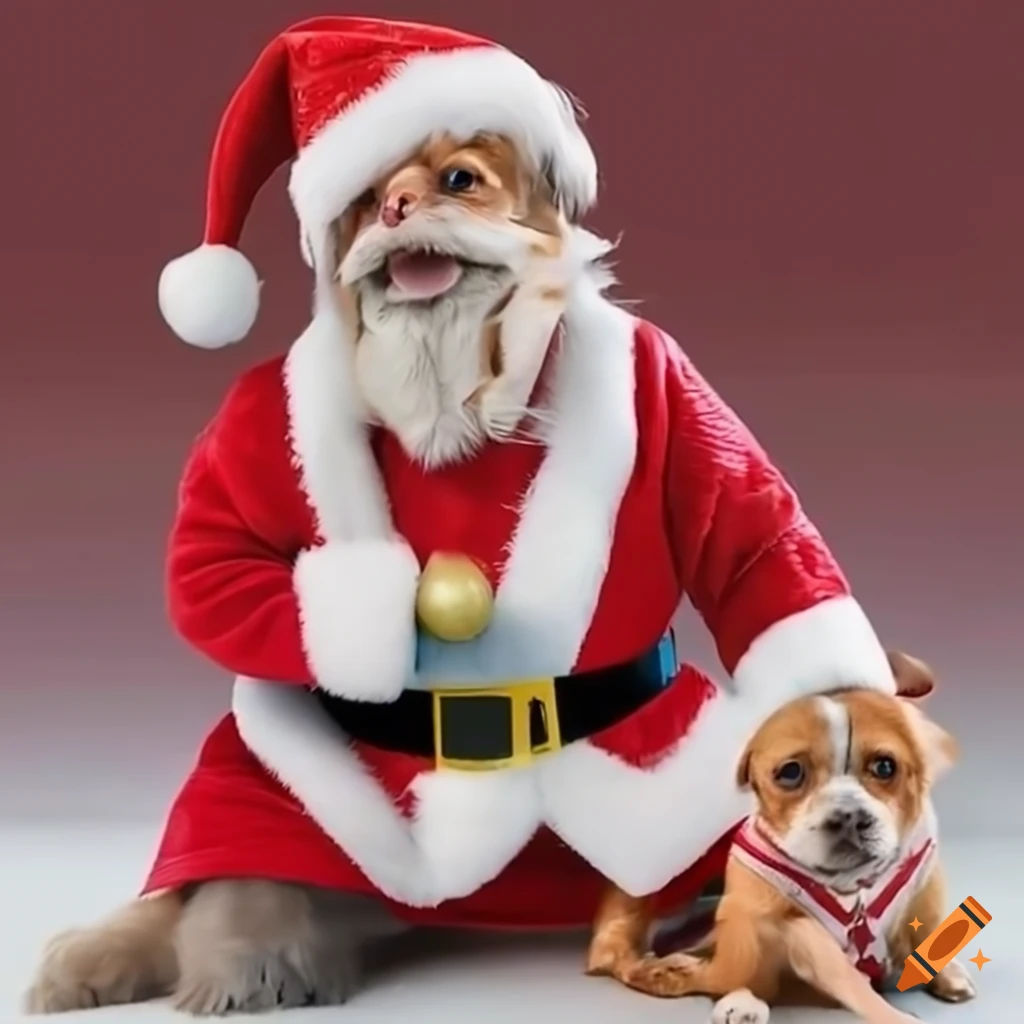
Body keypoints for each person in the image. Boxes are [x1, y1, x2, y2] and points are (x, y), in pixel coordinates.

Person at [25, 16, 896, 1015]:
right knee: (251, 903)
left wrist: (843, 709)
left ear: (544, 223)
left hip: (620, 752)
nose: (404, 217)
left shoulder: (639, 377)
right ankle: (180, 912)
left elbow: (757, 548)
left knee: (814, 865)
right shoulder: (276, 411)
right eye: (368, 204)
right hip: (369, 762)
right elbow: (209, 572)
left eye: (458, 182)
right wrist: (343, 622)